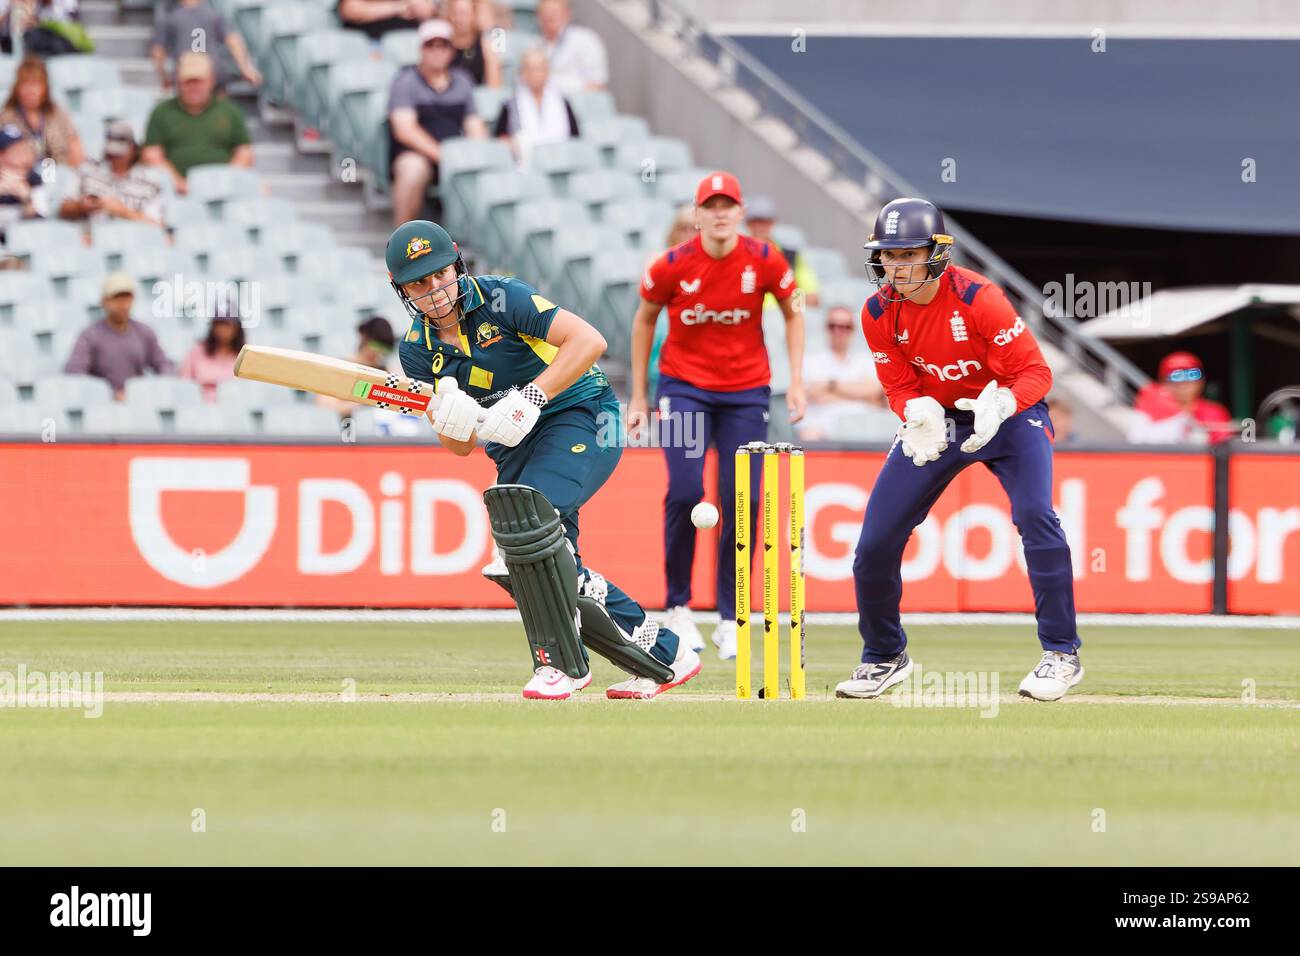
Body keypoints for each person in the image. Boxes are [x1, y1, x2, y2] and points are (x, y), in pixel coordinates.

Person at [388, 218, 699, 700]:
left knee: (531, 530)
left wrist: (530, 396)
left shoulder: (502, 297)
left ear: (456, 265)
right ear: (401, 289)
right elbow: (460, 446)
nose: (435, 289)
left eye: (440, 274)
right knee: (530, 562)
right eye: (419, 283)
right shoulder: (415, 350)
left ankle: (576, 664)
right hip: (514, 448)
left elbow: (590, 341)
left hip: (584, 414)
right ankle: (653, 657)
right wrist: (451, 418)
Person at [842, 197, 1081, 702]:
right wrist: (916, 415)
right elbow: (899, 385)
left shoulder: (980, 298)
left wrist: (1004, 405)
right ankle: (884, 655)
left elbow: (1038, 374)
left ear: (936, 252)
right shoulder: (878, 311)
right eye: (888, 255)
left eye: (908, 254)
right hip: (940, 424)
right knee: (874, 545)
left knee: (1037, 516)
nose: (895, 266)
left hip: (1009, 415)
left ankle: (1061, 653)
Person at [629, 171, 805, 659]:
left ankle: (731, 617)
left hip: (746, 393)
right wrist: (640, 396)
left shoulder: (766, 259)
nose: (721, 212)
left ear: (740, 211)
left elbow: (794, 310)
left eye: (729, 204)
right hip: (684, 390)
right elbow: (643, 319)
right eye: (712, 205)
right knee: (686, 491)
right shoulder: (672, 265)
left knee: (742, 501)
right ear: (699, 213)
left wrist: (799, 379)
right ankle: (679, 609)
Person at [387, 18, 487, 226]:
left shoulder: (463, 81)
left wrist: (481, 155)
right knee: (412, 169)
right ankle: (401, 243)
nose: (437, 51)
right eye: (430, 45)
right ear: (421, 50)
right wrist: (443, 156)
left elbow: (474, 125)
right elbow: (404, 130)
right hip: (417, 154)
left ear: (451, 51)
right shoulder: (405, 81)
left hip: (454, 156)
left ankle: (476, 246)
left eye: (443, 45)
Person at [142, 52, 253, 194]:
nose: (194, 87)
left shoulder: (230, 112)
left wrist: (226, 181)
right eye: (188, 81)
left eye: (199, 81)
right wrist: (180, 184)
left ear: (211, 80)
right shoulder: (161, 112)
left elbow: (245, 153)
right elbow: (152, 155)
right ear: (178, 81)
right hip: (173, 191)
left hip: (224, 190)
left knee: (261, 189)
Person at [64, 272, 173, 400]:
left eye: (127, 298)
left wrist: (152, 391)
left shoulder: (144, 332)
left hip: (139, 402)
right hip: (103, 406)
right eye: (117, 298)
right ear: (104, 301)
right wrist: (108, 395)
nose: (123, 304)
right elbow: (75, 373)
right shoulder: (90, 336)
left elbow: (164, 365)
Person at [796, 305, 884, 441]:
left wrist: (831, 385)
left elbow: (876, 391)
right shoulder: (811, 361)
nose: (839, 331)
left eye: (845, 326)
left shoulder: (864, 359)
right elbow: (816, 396)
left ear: (853, 330)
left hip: (863, 426)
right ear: (826, 328)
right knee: (809, 435)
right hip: (823, 426)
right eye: (833, 326)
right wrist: (861, 396)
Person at [58, 119, 165, 228]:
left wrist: (123, 212)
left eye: (119, 153)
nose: (113, 156)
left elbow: (157, 228)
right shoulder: (86, 169)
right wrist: (80, 207)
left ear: (133, 149)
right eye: (111, 151)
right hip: (89, 238)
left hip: (130, 241)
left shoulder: (150, 182)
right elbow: (62, 210)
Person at [493, 48, 579, 170]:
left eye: (540, 68)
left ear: (548, 71)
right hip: (524, 169)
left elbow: (574, 138)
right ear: (522, 73)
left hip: (561, 166)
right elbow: (501, 140)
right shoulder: (510, 105)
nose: (536, 74)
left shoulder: (563, 103)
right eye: (531, 69)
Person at [151, 0, 262, 93]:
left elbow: (158, 52)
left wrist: (164, 77)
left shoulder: (168, 17)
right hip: (213, 75)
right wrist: (245, 68)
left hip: (186, 76)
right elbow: (233, 40)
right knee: (219, 113)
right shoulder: (214, 13)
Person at [1127, 351, 1233, 445]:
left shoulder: (1214, 411)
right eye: (1176, 376)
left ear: (1202, 381)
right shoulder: (1149, 410)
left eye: (1192, 374)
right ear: (1163, 382)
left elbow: (1224, 445)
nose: (1184, 383)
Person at [0, 55, 84, 167]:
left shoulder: (58, 114)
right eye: (25, 84)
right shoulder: (6, 118)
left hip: (61, 175)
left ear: (45, 88)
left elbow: (77, 151)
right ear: (17, 88)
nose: (31, 90)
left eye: (36, 84)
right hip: (23, 178)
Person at [745, 194, 820, 307]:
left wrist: (788, 306)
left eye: (765, 221)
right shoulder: (737, 255)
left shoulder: (791, 256)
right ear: (747, 224)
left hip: (784, 317)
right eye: (755, 221)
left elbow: (812, 296)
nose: (759, 226)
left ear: (773, 223)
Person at [315, 315, 398, 415]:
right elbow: (325, 408)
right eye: (375, 345)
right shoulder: (340, 369)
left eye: (384, 348)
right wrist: (368, 398)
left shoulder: (388, 371)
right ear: (364, 337)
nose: (378, 352)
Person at [536, 0, 607, 95]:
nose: (549, 17)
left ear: (567, 14)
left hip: (577, 104)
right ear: (538, 16)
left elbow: (597, 85)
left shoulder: (586, 40)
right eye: (545, 13)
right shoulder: (535, 45)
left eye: (555, 13)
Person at [179, 311, 244, 401]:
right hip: (200, 407)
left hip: (234, 407)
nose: (222, 329)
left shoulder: (244, 355)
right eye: (219, 323)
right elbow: (184, 384)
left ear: (236, 327)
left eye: (226, 324)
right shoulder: (196, 352)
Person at [0, 124, 49, 236]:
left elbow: (42, 218)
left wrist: (26, 196)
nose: (23, 154)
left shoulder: (33, 178)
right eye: (16, 150)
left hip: (22, 239)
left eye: (24, 148)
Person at [447, 0, 501, 87]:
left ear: (474, 16)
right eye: (455, 13)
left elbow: (494, 85)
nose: (459, 19)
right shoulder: (443, 44)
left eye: (464, 13)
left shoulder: (485, 44)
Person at [336, 0, 437, 42]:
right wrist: (396, 8)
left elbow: (428, 12)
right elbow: (350, 11)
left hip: (412, 42)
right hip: (371, 43)